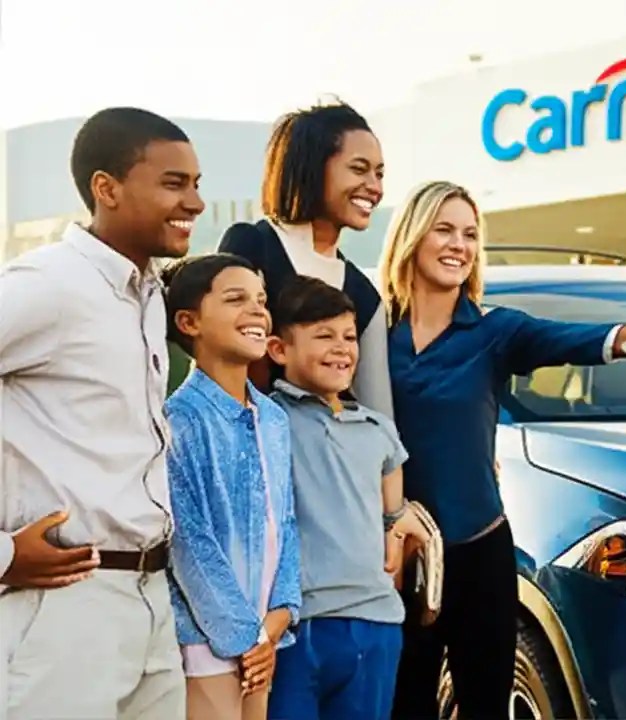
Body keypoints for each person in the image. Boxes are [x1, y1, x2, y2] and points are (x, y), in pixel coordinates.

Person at [378, 180, 626, 718]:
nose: (459, 245)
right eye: (444, 229)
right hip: (397, 557)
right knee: (403, 705)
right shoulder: (371, 333)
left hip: (478, 550)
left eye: (470, 234)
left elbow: (577, 341)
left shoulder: (495, 331)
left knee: (485, 705)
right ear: (412, 237)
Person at [0, 106, 204, 719]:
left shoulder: (146, 296)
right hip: (64, 608)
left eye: (196, 184)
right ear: (106, 189)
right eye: (174, 183)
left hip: (148, 600)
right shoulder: (47, 283)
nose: (194, 202)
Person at [263, 276, 428, 720]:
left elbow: (394, 514)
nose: (341, 348)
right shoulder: (265, 420)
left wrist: (401, 525)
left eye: (349, 337)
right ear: (279, 350)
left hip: (375, 622)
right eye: (323, 336)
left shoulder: (378, 429)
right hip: (293, 625)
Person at [161, 253, 301, 720]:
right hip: (208, 644)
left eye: (261, 301)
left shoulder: (275, 419)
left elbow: (286, 522)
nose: (258, 312)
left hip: (263, 639)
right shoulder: (179, 421)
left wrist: (279, 617)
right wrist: (246, 637)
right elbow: (187, 541)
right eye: (236, 299)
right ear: (189, 321)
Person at [217, 100, 393, 418]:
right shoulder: (251, 245)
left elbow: (378, 417)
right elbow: (219, 360)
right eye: (359, 169)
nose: (374, 187)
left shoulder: (365, 295)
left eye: (379, 174)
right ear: (312, 167)